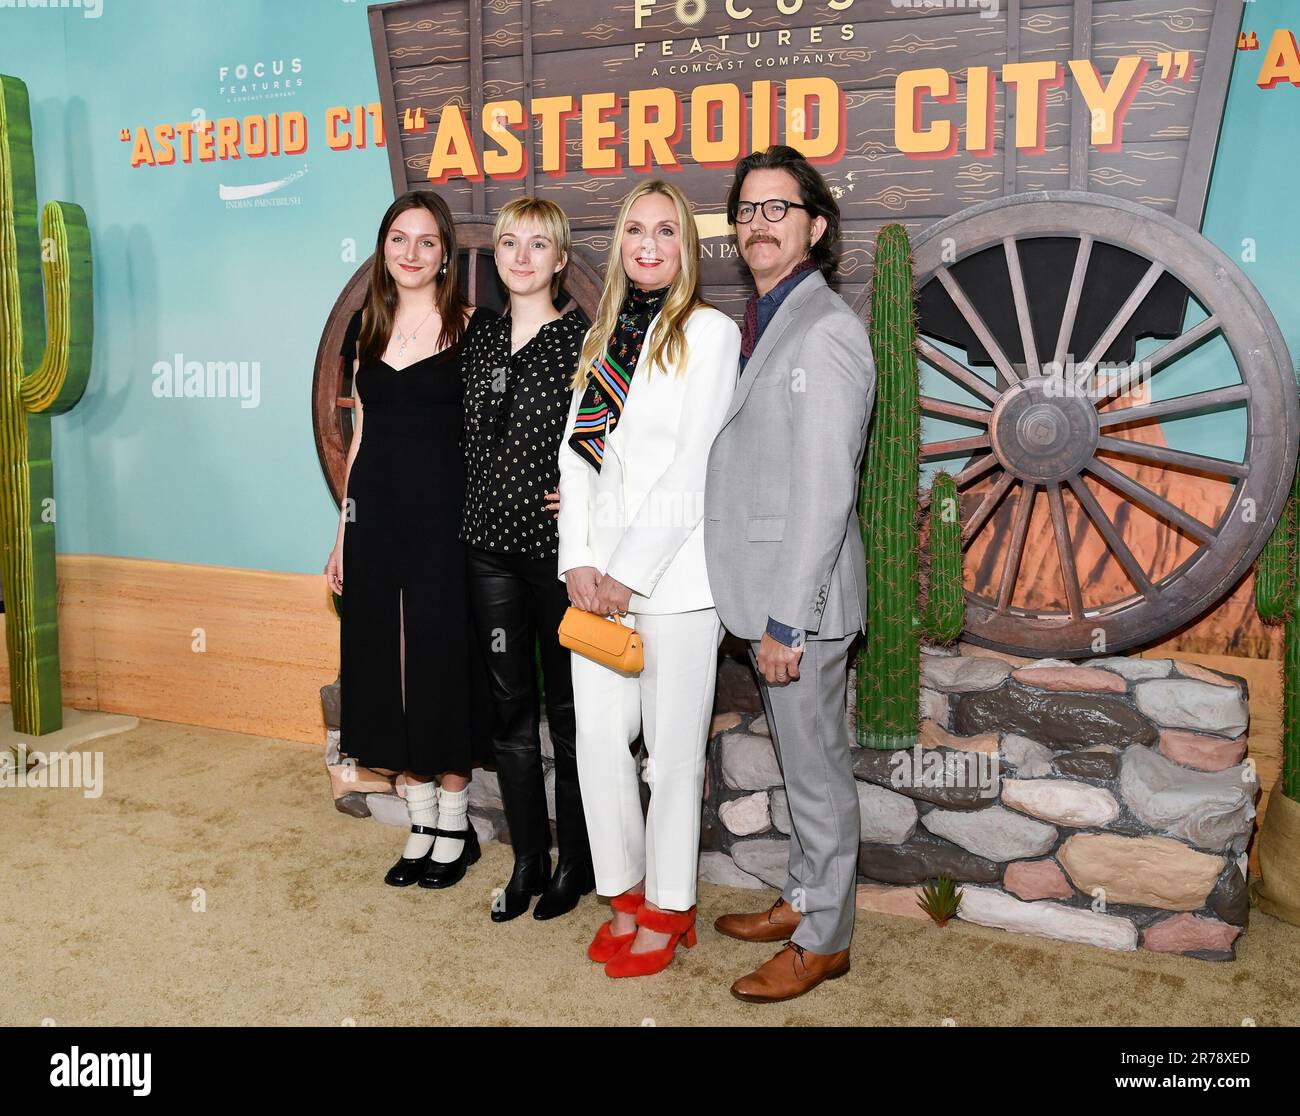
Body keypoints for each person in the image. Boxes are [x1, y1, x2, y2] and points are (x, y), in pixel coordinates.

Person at [556, 180, 741, 978]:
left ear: (686, 248)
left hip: (677, 585)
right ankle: (626, 892)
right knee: (598, 743)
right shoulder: (603, 339)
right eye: (636, 229)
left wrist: (628, 575)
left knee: (669, 756)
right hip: (597, 585)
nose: (649, 245)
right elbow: (577, 460)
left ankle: (672, 906)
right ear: (619, 243)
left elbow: (694, 468)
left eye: (667, 231)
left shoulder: (710, 333)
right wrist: (580, 561)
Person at [704, 145, 875, 1003]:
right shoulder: (770, 319)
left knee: (816, 776)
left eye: (777, 208)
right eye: (746, 209)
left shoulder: (829, 331)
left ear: (815, 225)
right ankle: (805, 899)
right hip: (774, 599)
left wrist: (787, 621)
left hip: (800, 608)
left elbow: (824, 491)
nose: (757, 223)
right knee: (806, 765)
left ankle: (825, 940)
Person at [325, 190, 496, 891]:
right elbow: (361, 436)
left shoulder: (472, 328)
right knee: (384, 668)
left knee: (440, 662)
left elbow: (492, 437)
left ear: (444, 254)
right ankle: (422, 823)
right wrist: (342, 535)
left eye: (427, 242)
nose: (412, 253)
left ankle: (454, 828)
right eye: (400, 239)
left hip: (444, 521)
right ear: (383, 247)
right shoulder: (365, 328)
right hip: (378, 522)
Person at [459, 198, 595, 922]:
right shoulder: (478, 335)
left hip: (556, 560)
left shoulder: (585, 339)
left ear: (560, 259)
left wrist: (586, 499)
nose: (518, 256)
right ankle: (527, 861)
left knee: (569, 717)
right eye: (509, 242)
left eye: (537, 244)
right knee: (510, 714)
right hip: (486, 551)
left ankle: (576, 862)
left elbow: (617, 440)